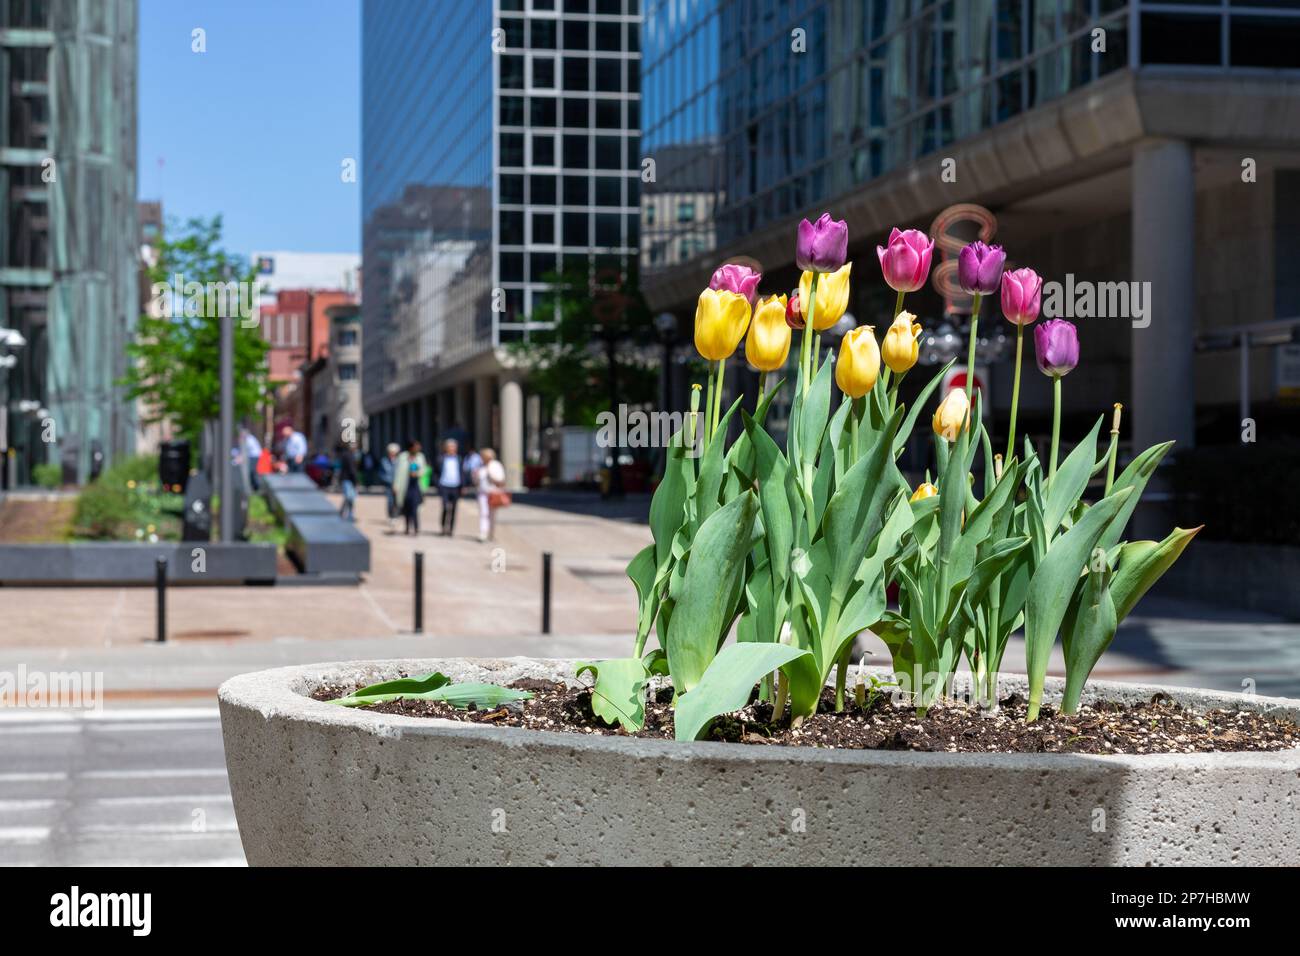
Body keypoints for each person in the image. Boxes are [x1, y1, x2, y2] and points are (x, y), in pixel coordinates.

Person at [476, 447, 508, 543]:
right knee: (483, 513)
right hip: (482, 493)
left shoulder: (496, 466)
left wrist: (491, 477)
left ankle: (491, 533)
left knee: (492, 515)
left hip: (494, 493)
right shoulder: (481, 467)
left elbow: (501, 482)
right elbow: (477, 482)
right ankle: (483, 533)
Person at [433, 439, 464, 537]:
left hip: (455, 486)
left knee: (454, 509)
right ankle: (443, 527)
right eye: (450, 447)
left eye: (454, 447)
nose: (452, 449)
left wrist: (463, 485)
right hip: (444, 485)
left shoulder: (459, 459)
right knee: (445, 507)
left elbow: (462, 473)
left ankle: (450, 530)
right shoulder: (441, 458)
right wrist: (437, 484)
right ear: (446, 448)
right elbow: (435, 473)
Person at [378, 443, 399, 531]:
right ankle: (390, 516)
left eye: (394, 452)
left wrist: (397, 483)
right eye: (391, 452)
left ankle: (395, 516)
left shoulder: (399, 461)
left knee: (397, 501)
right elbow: (381, 474)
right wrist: (390, 482)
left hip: (398, 485)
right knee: (390, 501)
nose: (392, 453)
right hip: (388, 485)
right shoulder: (384, 461)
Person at [401, 460, 424, 535]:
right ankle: (407, 528)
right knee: (407, 512)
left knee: (414, 513)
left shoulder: (417, 479)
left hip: (415, 496)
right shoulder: (406, 478)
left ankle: (416, 529)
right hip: (407, 495)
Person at [337, 444, 358, 521]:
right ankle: (349, 515)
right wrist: (355, 481)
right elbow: (352, 470)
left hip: (345, 479)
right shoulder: (350, 456)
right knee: (350, 497)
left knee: (348, 497)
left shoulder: (344, 455)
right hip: (349, 479)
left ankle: (344, 512)